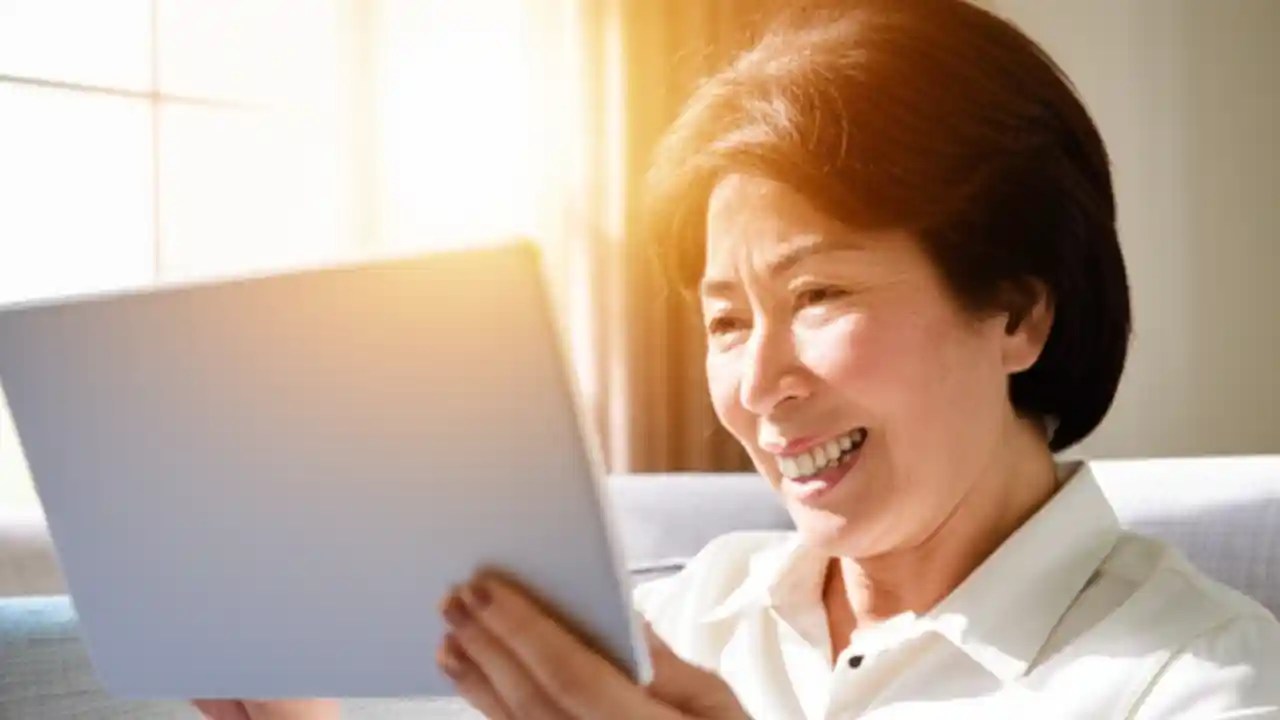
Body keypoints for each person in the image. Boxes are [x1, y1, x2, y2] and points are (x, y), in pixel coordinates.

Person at [195, 0, 1280, 718]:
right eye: (723, 320)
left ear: (1015, 316)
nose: (757, 386)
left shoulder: (1198, 681)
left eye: (816, 295)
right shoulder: (682, 624)